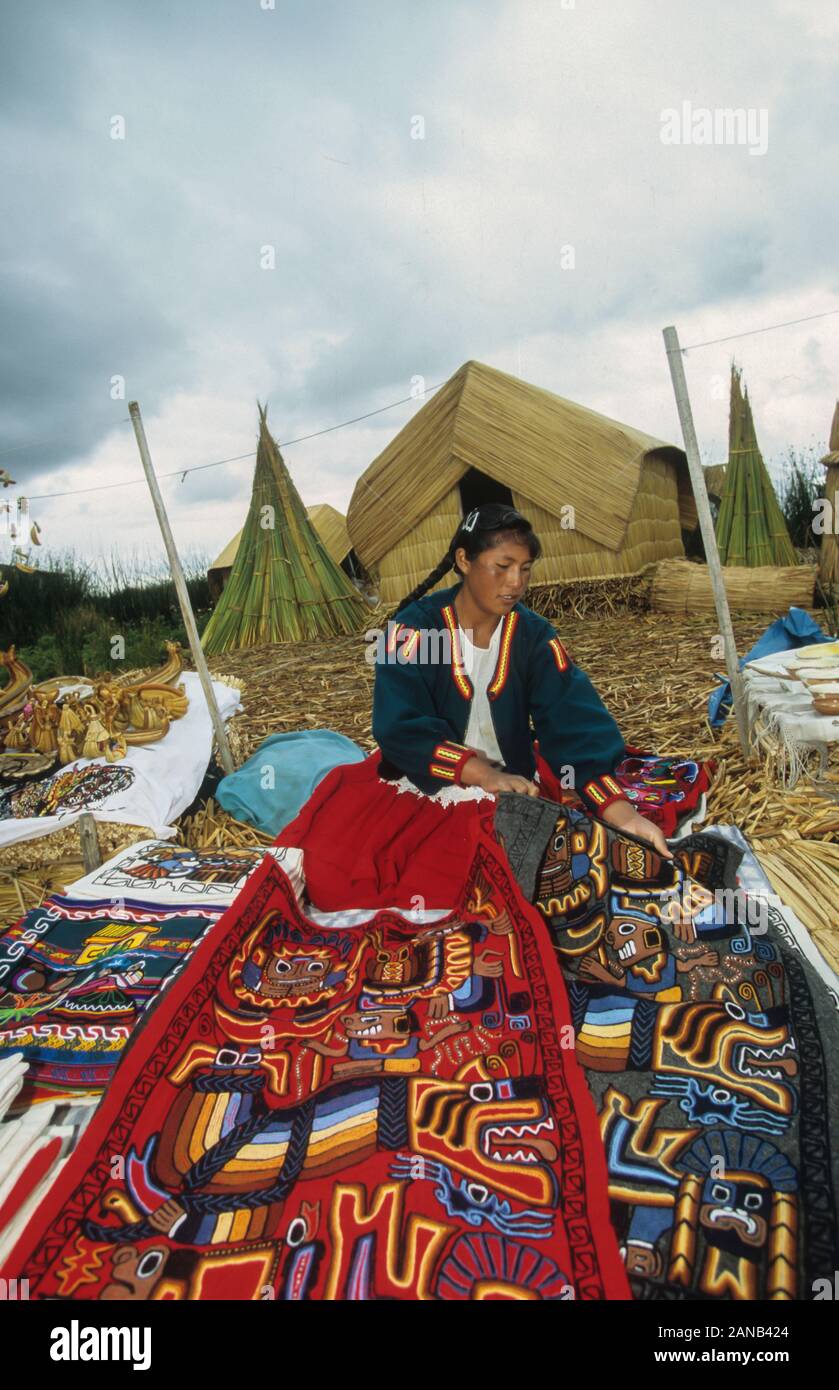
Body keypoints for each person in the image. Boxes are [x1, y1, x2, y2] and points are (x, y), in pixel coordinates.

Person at [277, 503, 671, 911]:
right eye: (502, 567)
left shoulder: (533, 636)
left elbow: (572, 721)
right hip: (425, 783)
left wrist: (621, 813)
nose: (515, 583)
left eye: (525, 569)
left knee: (566, 874)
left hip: (513, 782)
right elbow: (399, 727)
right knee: (358, 881)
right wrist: (482, 773)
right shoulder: (415, 632)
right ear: (464, 561)